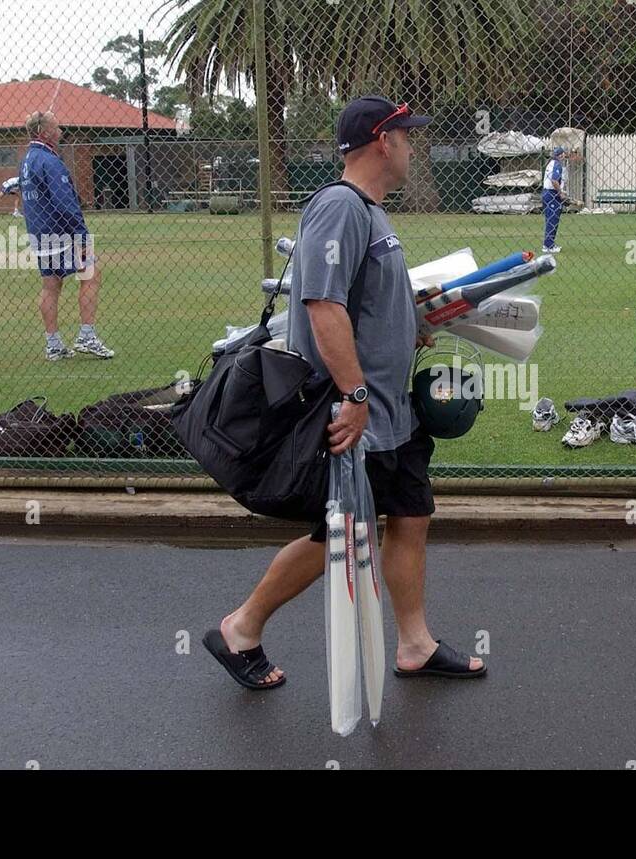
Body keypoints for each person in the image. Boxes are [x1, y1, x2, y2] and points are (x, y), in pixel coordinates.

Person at [203, 95, 485, 690]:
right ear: (383, 141)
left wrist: (413, 329)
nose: (413, 146)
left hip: (393, 412)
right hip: (359, 412)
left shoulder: (373, 212)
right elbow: (322, 305)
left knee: (410, 517)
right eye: (407, 136)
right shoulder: (339, 206)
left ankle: (414, 644)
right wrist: (355, 397)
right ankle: (241, 628)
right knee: (338, 533)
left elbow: (363, 307)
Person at [19, 111, 115, 361]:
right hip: (60, 233)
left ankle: (53, 343)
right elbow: (64, 203)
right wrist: (81, 235)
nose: (61, 132)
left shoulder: (28, 158)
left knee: (51, 286)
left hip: (40, 234)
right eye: (57, 127)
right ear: (45, 132)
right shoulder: (50, 161)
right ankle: (87, 335)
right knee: (91, 274)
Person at [541, 146, 568, 253]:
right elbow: (554, 181)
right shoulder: (557, 165)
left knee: (551, 219)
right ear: (561, 154)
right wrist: (560, 192)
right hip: (551, 194)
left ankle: (549, 244)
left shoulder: (551, 163)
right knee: (552, 219)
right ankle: (548, 246)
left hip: (548, 193)